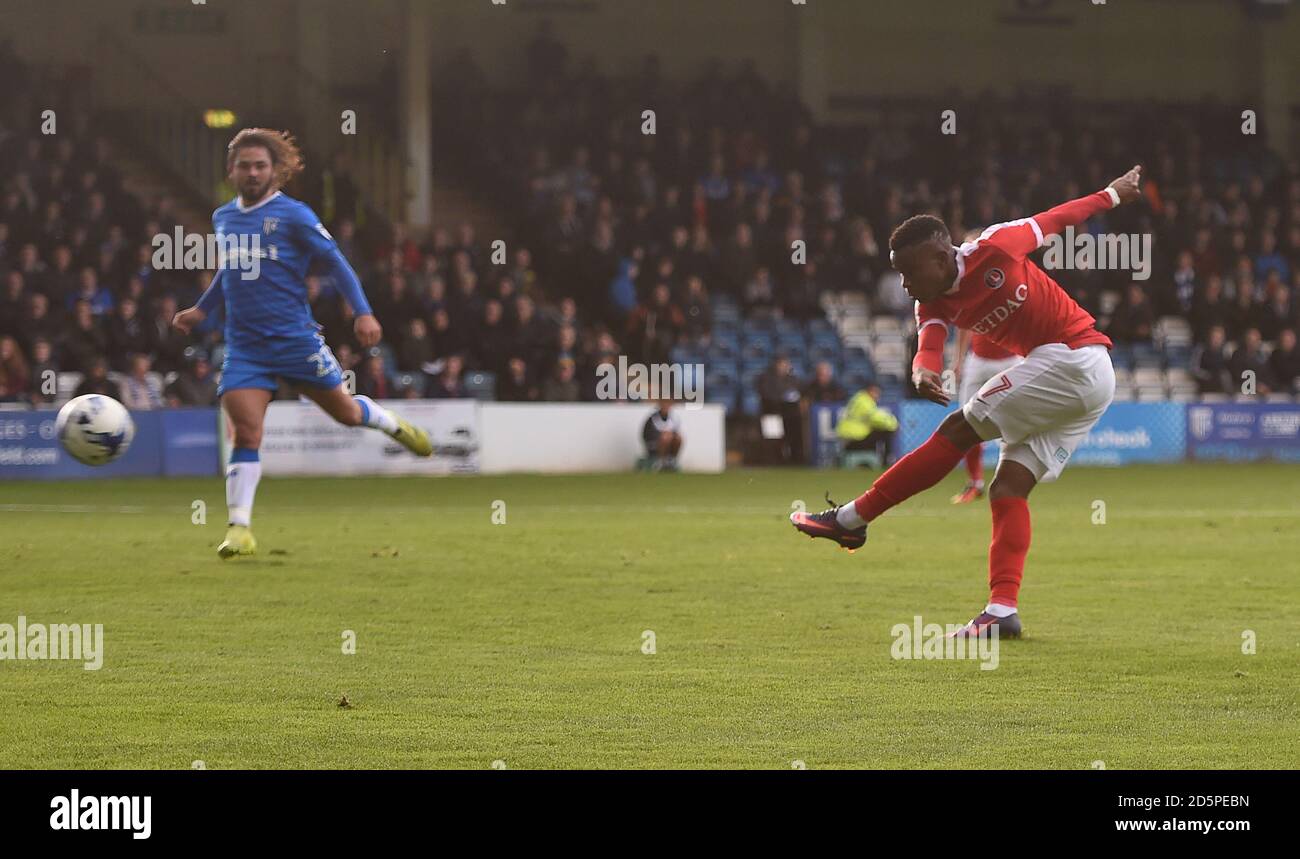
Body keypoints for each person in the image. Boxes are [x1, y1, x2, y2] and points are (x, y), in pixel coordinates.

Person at [791, 165, 1144, 639]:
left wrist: (1111, 195)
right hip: (1083, 379)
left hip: (1074, 359)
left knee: (958, 431)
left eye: (909, 271)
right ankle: (1002, 611)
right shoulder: (931, 300)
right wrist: (922, 370)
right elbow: (930, 345)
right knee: (1008, 489)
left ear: (940, 257)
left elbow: (1056, 218)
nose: (904, 284)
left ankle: (853, 519)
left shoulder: (995, 246)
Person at [172, 128, 432, 560]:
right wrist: (202, 310)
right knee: (247, 430)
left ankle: (391, 424)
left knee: (347, 413)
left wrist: (362, 311)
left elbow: (336, 261)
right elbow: (233, 270)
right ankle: (239, 528)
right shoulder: (224, 218)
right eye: (245, 165)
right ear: (231, 170)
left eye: (261, 166)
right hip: (245, 345)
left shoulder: (294, 215)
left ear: (276, 172)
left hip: (295, 339)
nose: (252, 173)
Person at [949, 329, 1020, 503]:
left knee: (1017, 423)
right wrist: (958, 359)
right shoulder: (971, 302)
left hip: (1011, 361)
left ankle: (1015, 479)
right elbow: (964, 326)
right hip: (978, 361)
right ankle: (975, 483)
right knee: (967, 421)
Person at [835, 383, 898, 466]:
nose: (878, 396)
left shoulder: (858, 398)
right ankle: (886, 461)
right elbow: (875, 419)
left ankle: (883, 459)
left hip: (849, 436)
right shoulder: (864, 402)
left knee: (880, 432)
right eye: (877, 393)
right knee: (887, 432)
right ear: (870, 391)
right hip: (855, 437)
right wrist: (894, 424)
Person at [642, 400, 682, 471]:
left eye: (668, 404)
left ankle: (671, 460)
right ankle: (661, 461)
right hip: (654, 445)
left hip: (669, 443)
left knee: (678, 438)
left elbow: (675, 432)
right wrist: (663, 435)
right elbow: (647, 435)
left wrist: (670, 435)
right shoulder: (652, 418)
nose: (666, 406)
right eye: (664, 404)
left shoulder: (674, 418)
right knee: (665, 438)